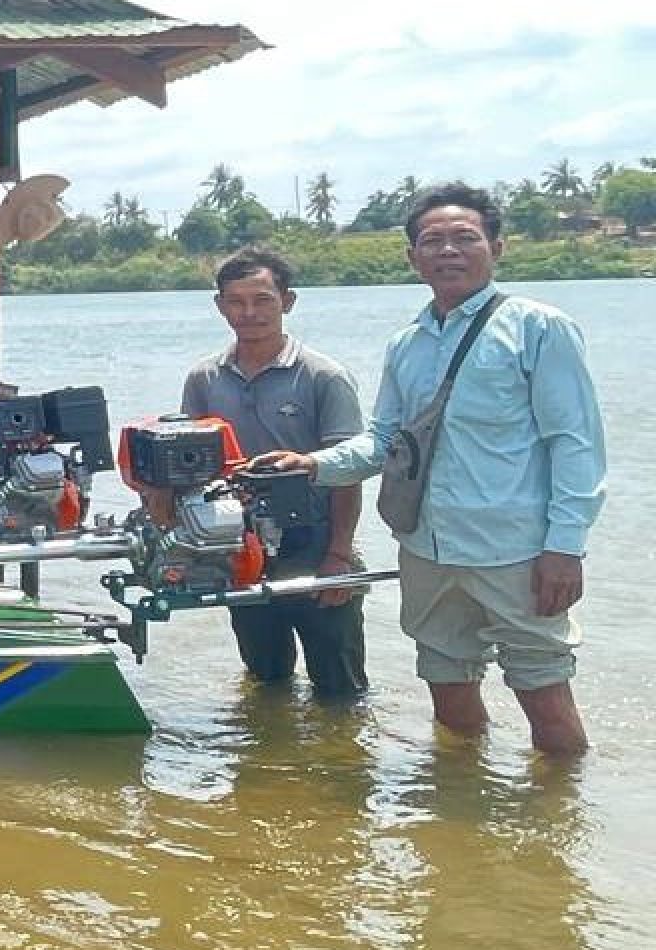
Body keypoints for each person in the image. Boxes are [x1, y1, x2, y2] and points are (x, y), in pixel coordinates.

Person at [257, 184, 605, 755]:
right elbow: (385, 441)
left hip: (514, 550)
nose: (449, 251)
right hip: (426, 548)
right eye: (433, 241)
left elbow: (576, 445)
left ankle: (559, 822)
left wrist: (565, 547)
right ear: (412, 257)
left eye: (465, 238)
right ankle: (464, 800)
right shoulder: (407, 344)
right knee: (446, 685)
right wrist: (312, 463)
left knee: (544, 689)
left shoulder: (539, 328)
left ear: (497, 247)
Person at [164, 248, 368, 699]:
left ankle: (341, 764)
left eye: (263, 300)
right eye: (236, 302)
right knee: (264, 678)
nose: (249, 313)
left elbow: (349, 470)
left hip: (315, 542)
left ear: (288, 301)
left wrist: (339, 555)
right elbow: (188, 469)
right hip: (239, 545)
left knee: (341, 687)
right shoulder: (204, 378)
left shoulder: (323, 376)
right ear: (220, 306)